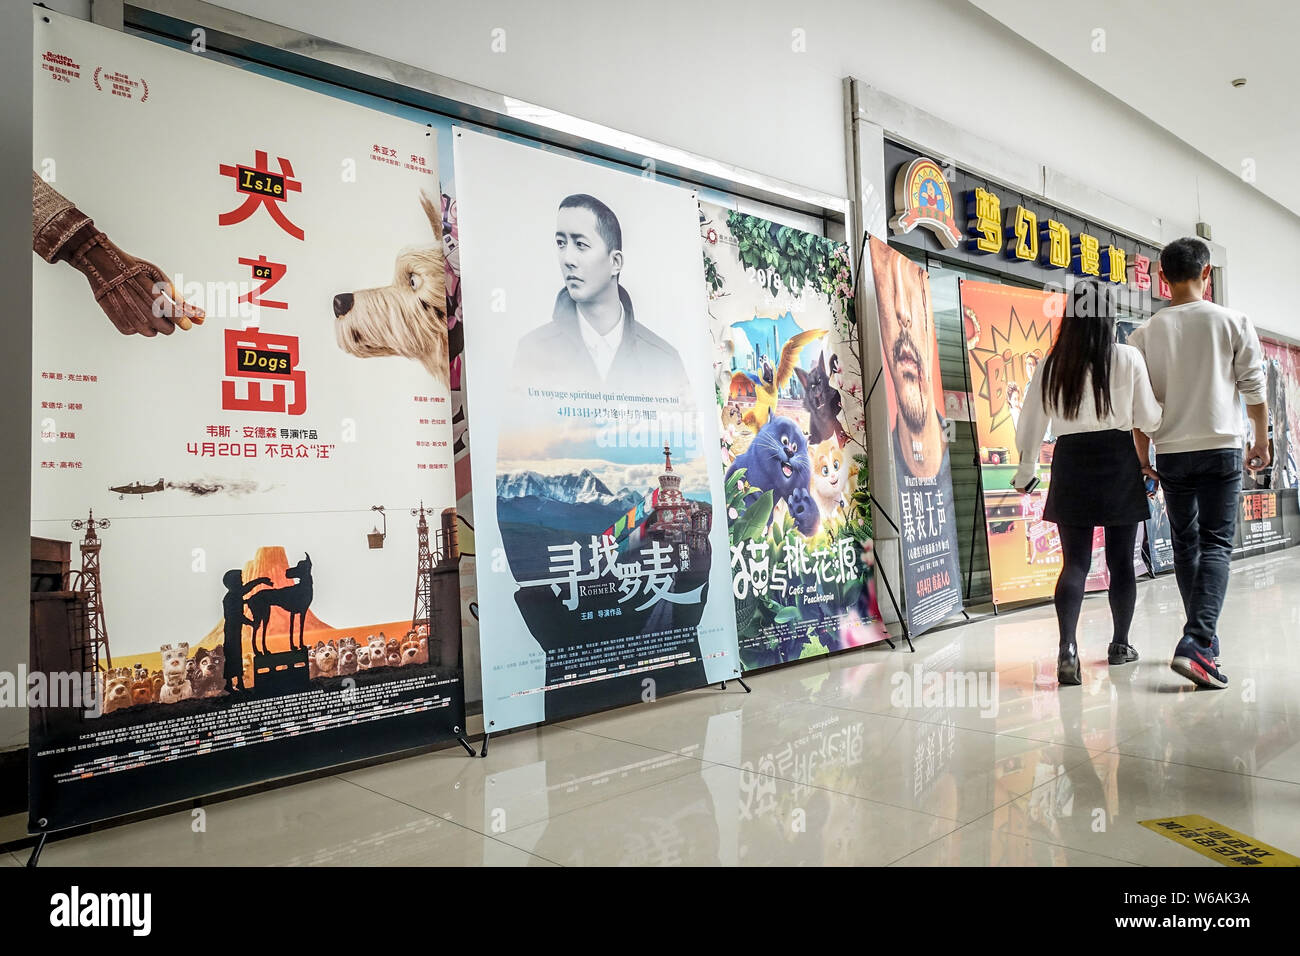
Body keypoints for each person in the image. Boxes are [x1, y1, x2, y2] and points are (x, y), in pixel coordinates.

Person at [1128, 237, 1268, 689]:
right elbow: (1254, 390)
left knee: (1187, 546)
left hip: (1170, 452)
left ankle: (1201, 641)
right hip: (1221, 447)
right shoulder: (1233, 321)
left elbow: (1140, 407)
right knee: (1217, 544)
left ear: (1161, 278)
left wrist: (1143, 456)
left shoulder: (1143, 335)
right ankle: (1197, 640)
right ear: (1206, 274)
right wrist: (1261, 441)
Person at [1013, 280, 1162, 686]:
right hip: (1118, 460)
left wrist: (1027, 468)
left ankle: (1068, 649)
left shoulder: (1053, 362)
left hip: (1071, 462)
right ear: (1108, 316)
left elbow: (1031, 421)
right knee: (1121, 563)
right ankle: (1120, 645)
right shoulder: (1128, 358)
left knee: (1074, 563)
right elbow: (1149, 418)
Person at [510, 193, 690, 394]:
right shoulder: (533, 351)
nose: (567, 258)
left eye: (581, 245)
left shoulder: (664, 360)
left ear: (615, 262)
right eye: (561, 243)